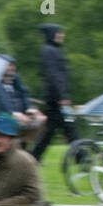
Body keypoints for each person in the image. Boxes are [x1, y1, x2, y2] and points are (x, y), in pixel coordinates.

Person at [31, 23, 78, 162]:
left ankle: (34, 157)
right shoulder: (49, 51)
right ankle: (81, 156)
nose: (62, 35)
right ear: (52, 34)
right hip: (57, 100)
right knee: (70, 128)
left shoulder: (52, 50)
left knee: (51, 132)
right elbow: (53, 75)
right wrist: (62, 97)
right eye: (59, 33)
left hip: (55, 99)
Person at [0, 55, 46, 151]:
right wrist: (13, 114)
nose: (11, 68)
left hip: (21, 113)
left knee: (41, 119)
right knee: (21, 122)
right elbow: (0, 102)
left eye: (13, 65)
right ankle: (20, 147)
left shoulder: (15, 79)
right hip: (4, 114)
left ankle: (26, 146)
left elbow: (24, 94)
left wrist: (30, 108)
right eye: (9, 65)